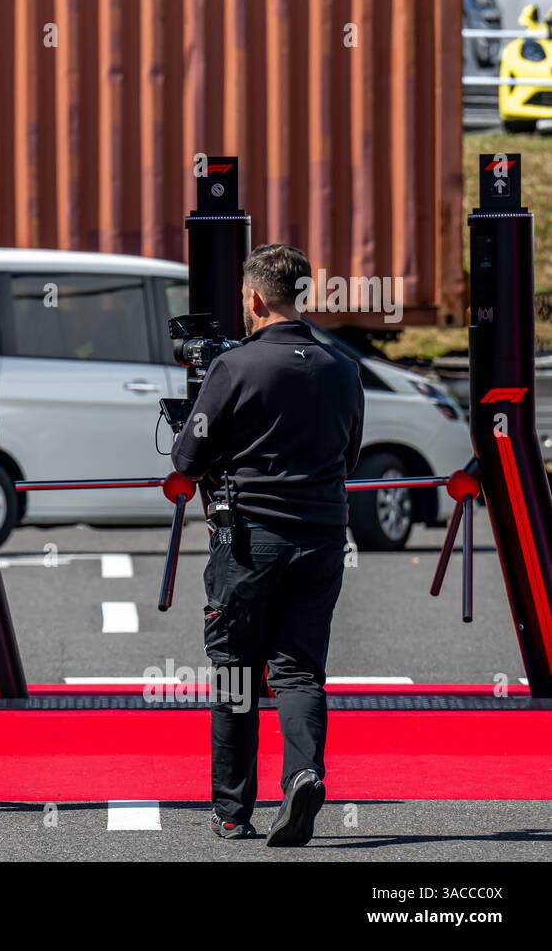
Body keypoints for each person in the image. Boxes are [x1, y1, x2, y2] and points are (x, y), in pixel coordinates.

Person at [171, 243, 364, 846]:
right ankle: (303, 773)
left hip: (250, 541)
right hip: (324, 537)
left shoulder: (235, 368)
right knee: (301, 670)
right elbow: (349, 456)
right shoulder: (342, 368)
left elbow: (187, 458)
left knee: (234, 673)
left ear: (254, 298)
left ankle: (233, 809)